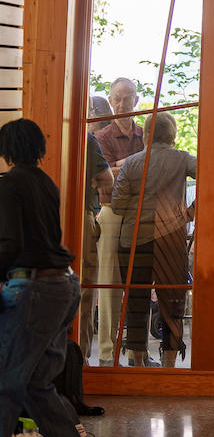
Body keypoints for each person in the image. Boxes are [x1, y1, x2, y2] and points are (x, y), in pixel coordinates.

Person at [0, 118, 82, 436]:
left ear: (6, 149)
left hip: (35, 288)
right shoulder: (46, 183)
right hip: (64, 286)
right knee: (35, 383)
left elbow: (10, 244)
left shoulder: (8, 185)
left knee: (6, 381)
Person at [111, 112, 196, 368]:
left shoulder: (133, 163)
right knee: (172, 300)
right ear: (172, 135)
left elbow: (117, 205)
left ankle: (137, 360)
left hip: (135, 239)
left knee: (136, 300)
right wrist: (189, 213)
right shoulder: (182, 159)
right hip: (170, 238)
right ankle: (169, 362)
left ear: (147, 134)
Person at [93, 79, 146, 367]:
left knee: (140, 283)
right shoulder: (102, 136)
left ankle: (137, 353)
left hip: (142, 212)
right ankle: (106, 354)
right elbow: (106, 175)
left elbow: (157, 165)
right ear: (111, 101)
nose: (122, 105)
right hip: (112, 211)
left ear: (136, 101)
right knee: (109, 285)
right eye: (117, 99)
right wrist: (138, 161)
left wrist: (121, 165)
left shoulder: (146, 133)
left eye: (127, 99)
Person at [79, 100, 114, 364]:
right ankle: (79, 358)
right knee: (85, 287)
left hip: (46, 218)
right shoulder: (88, 140)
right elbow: (107, 180)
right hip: (83, 215)